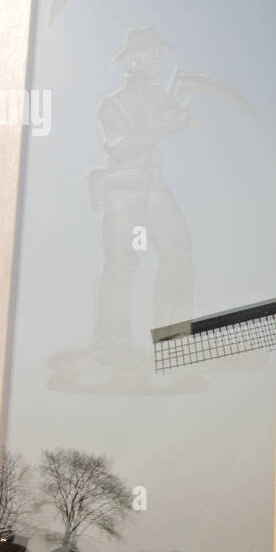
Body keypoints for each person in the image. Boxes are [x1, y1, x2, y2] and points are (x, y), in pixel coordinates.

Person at [89, 27, 195, 370]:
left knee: (177, 251)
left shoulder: (159, 97)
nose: (155, 58)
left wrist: (183, 119)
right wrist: (167, 128)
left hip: (153, 188)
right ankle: (111, 344)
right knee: (120, 264)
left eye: (157, 52)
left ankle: (172, 341)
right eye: (149, 52)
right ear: (130, 60)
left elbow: (184, 118)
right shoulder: (111, 104)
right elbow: (124, 149)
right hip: (123, 189)